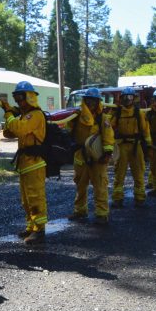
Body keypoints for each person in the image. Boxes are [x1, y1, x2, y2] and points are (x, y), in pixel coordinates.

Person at [0, 81, 47, 245]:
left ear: (30, 97)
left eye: (21, 98)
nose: (19, 102)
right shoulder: (23, 116)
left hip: (34, 162)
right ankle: (31, 226)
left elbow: (19, 129)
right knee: (25, 199)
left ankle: (39, 230)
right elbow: (8, 132)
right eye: (16, 98)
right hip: (25, 163)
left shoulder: (35, 115)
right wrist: (11, 115)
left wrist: (9, 114)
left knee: (35, 197)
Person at [67, 88, 115, 224]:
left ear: (98, 101)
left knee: (100, 185)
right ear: (84, 100)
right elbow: (68, 131)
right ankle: (80, 211)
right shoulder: (77, 116)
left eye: (94, 100)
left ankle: (101, 213)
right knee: (80, 185)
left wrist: (107, 154)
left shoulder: (102, 119)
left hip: (98, 158)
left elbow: (108, 137)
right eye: (88, 100)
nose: (91, 103)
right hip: (81, 156)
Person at [110, 87, 152, 207]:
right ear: (121, 99)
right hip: (121, 145)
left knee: (138, 172)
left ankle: (140, 198)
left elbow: (145, 130)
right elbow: (109, 127)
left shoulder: (139, 113)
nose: (127, 100)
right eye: (125, 97)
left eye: (130, 97)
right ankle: (117, 199)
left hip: (135, 146)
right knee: (119, 173)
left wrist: (149, 146)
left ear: (133, 99)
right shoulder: (117, 112)